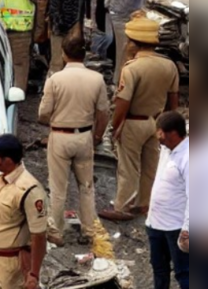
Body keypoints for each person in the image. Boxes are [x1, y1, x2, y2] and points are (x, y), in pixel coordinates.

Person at [101, 18, 180, 222]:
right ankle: (144, 203)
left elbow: (123, 103)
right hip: (156, 122)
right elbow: (173, 100)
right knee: (150, 166)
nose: (127, 44)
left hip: (133, 122)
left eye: (129, 41)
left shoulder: (132, 68)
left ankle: (122, 207)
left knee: (128, 167)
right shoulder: (169, 65)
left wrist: (116, 126)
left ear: (135, 43)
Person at [38, 37, 109, 246]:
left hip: (60, 135)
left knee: (58, 188)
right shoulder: (97, 79)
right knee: (86, 187)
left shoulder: (55, 79)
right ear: (84, 54)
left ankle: (57, 231)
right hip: (84, 136)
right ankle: (88, 231)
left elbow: (43, 113)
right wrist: (97, 137)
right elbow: (103, 113)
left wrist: (53, 120)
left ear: (64, 54)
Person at [0, 135, 48, 289]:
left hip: (11, 264)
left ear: (9, 160)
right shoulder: (0, 180)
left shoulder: (29, 190)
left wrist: (33, 274)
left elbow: (39, 235)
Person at [146, 112, 189, 289]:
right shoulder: (167, 148)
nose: (158, 136)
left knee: (185, 273)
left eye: (161, 132)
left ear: (172, 134)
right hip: (155, 224)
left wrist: (188, 229)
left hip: (176, 227)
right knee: (159, 270)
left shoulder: (189, 157)